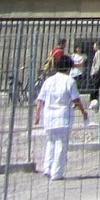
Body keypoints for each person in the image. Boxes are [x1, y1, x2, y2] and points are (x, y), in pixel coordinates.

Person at [33, 53, 89, 181]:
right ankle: (57, 173)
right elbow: (76, 99)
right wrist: (83, 112)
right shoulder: (69, 81)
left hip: (48, 116)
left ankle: (47, 168)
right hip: (63, 116)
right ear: (69, 68)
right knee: (61, 145)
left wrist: (37, 115)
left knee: (50, 142)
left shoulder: (49, 80)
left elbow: (40, 100)